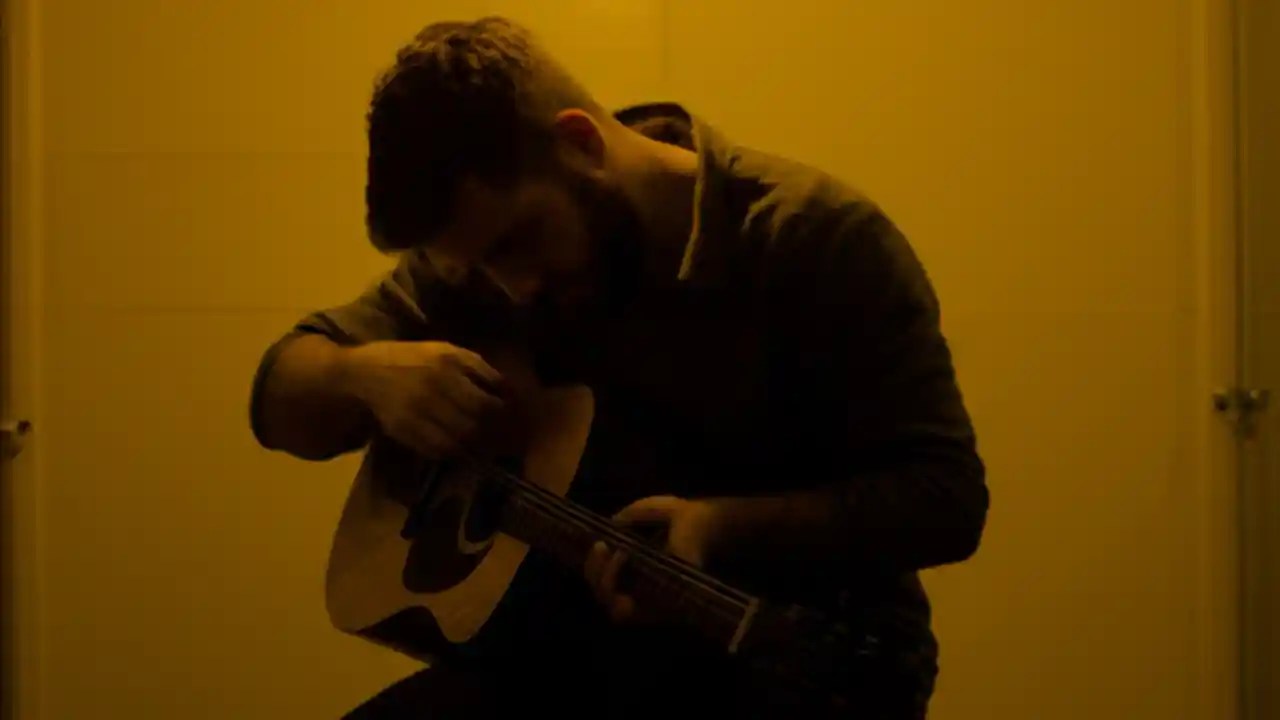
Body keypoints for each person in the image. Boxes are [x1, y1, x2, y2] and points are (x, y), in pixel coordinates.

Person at [249, 16, 988, 720]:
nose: (513, 287)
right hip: (566, 662)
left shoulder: (816, 240)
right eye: (476, 265)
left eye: (515, 246)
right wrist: (366, 375)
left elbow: (945, 499)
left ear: (581, 143)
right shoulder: (482, 260)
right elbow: (283, 385)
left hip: (792, 666)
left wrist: (721, 529)